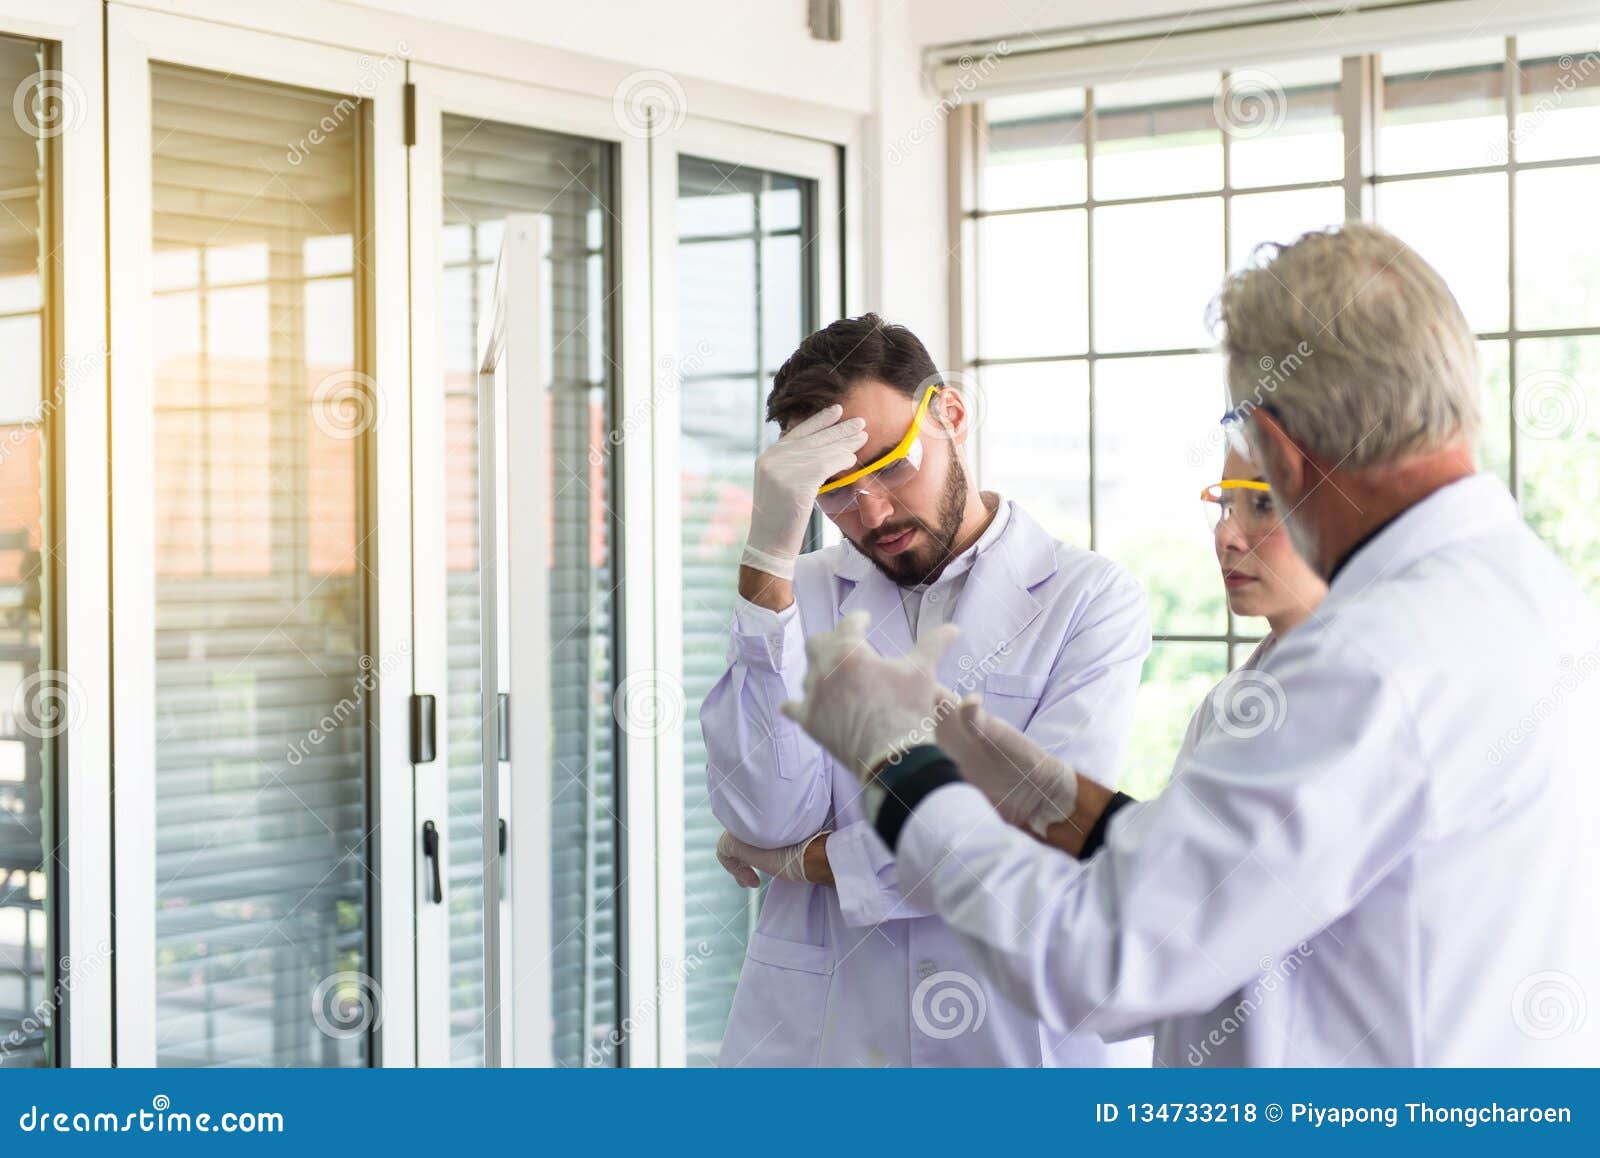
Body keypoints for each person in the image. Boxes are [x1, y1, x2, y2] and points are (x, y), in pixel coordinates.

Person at [777, 225, 1600, 1066]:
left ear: (1279, 451)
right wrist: (1040, 788)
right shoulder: (1534, 595)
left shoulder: (1367, 659)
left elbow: (1098, 962)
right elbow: (1242, 877)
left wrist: (898, 762)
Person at [700, 314, 1152, 1066]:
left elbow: (1034, 837)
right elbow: (763, 813)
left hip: (1005, 1033)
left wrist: (800, 863)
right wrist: (766, 564)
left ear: (952, 414)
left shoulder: (1089, 598)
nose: (872, 512)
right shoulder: (791, 594)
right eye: (834, 491)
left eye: (891, 465)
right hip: (825, 1034)